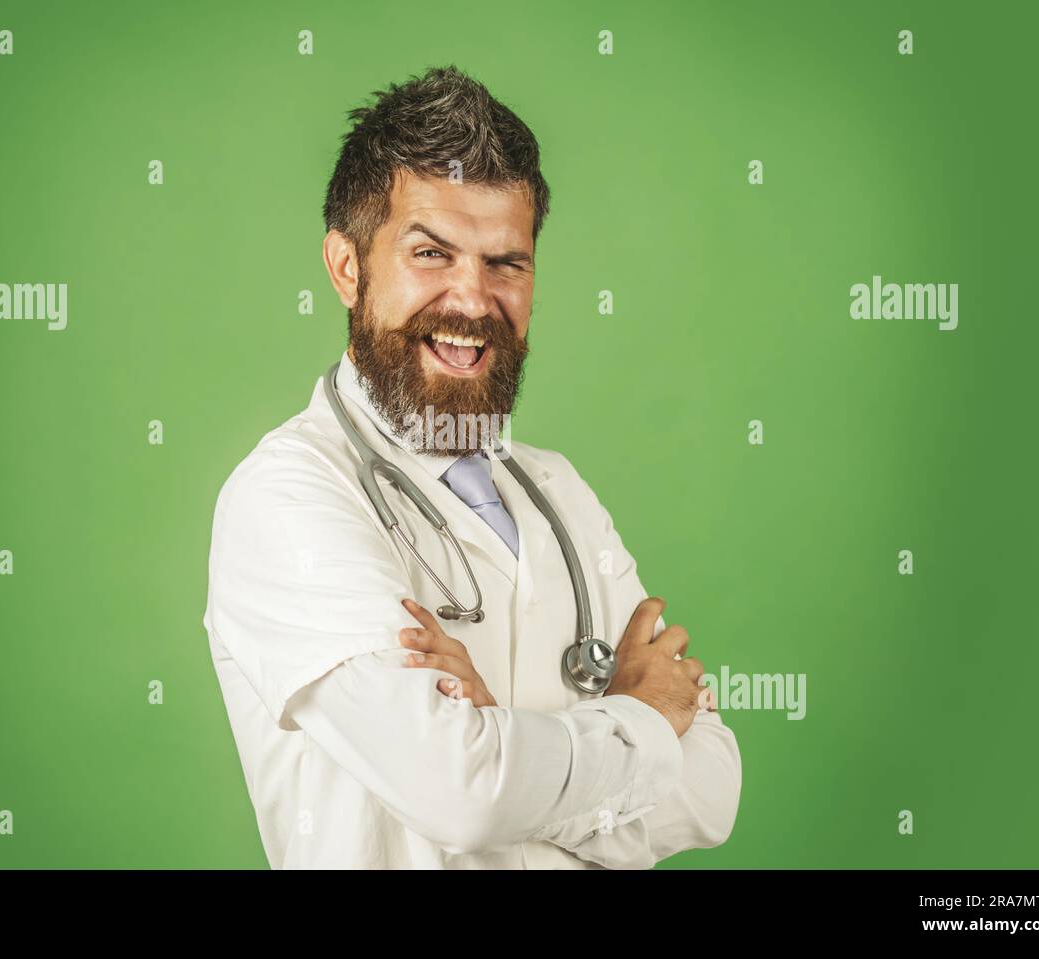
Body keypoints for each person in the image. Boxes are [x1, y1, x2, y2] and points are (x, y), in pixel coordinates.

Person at [202, 65, 741, 868]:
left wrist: (508, 741)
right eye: (431, 252)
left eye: (506, 263)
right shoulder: (286, 498)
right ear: (347, 266)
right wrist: (637, 719)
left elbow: (711, 789)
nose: (472, 297)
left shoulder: (560, 494)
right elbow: (463, 789)